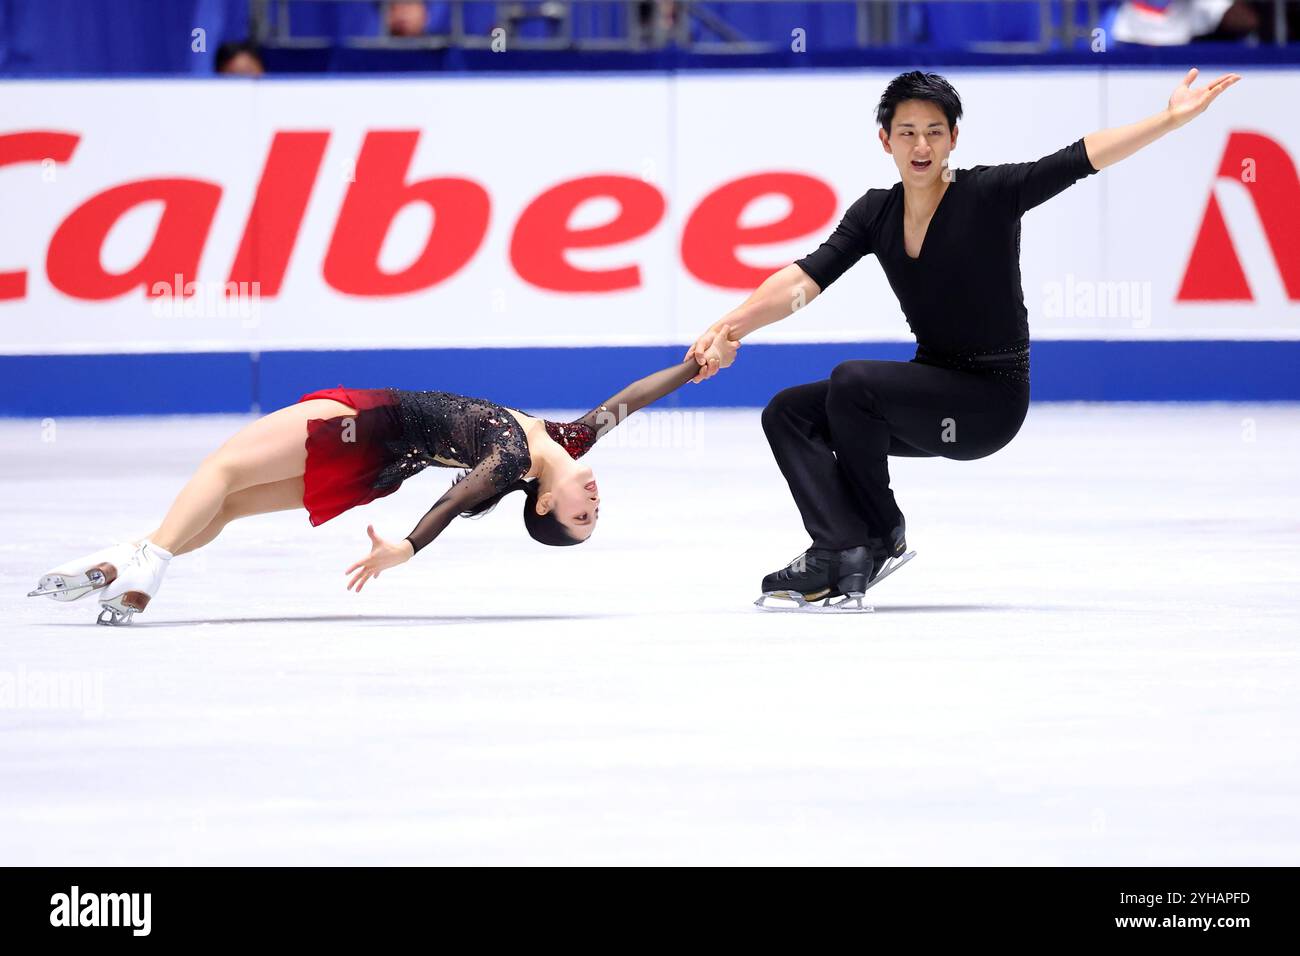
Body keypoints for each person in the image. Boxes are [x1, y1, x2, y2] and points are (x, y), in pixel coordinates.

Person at [685, 67, 1241, 611]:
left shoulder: (989, 193)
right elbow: (805, 279)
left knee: (852, 382)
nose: (920, 144)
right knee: (788, 412)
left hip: (990, 401)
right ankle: (838, 544)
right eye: (906, 132)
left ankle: (879, 536)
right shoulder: (875, 212)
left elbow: (1080, 157)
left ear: (953, 137)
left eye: (933, 131)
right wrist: (728, 327)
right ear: (885, 140)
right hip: (931, 388)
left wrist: (1168, 120)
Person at [29, 333, 739, 625]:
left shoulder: (516, 462)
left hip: (362, 427)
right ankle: (128, 558)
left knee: (221, 469)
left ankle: (148, 564)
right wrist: (694, 364)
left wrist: (407, 547)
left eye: (581, 517)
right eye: (594, 514)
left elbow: (458, 499)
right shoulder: (567, 439)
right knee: (235, 504)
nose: (595, 504)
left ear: (545, 503)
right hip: (381, 465)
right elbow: (631, 399)